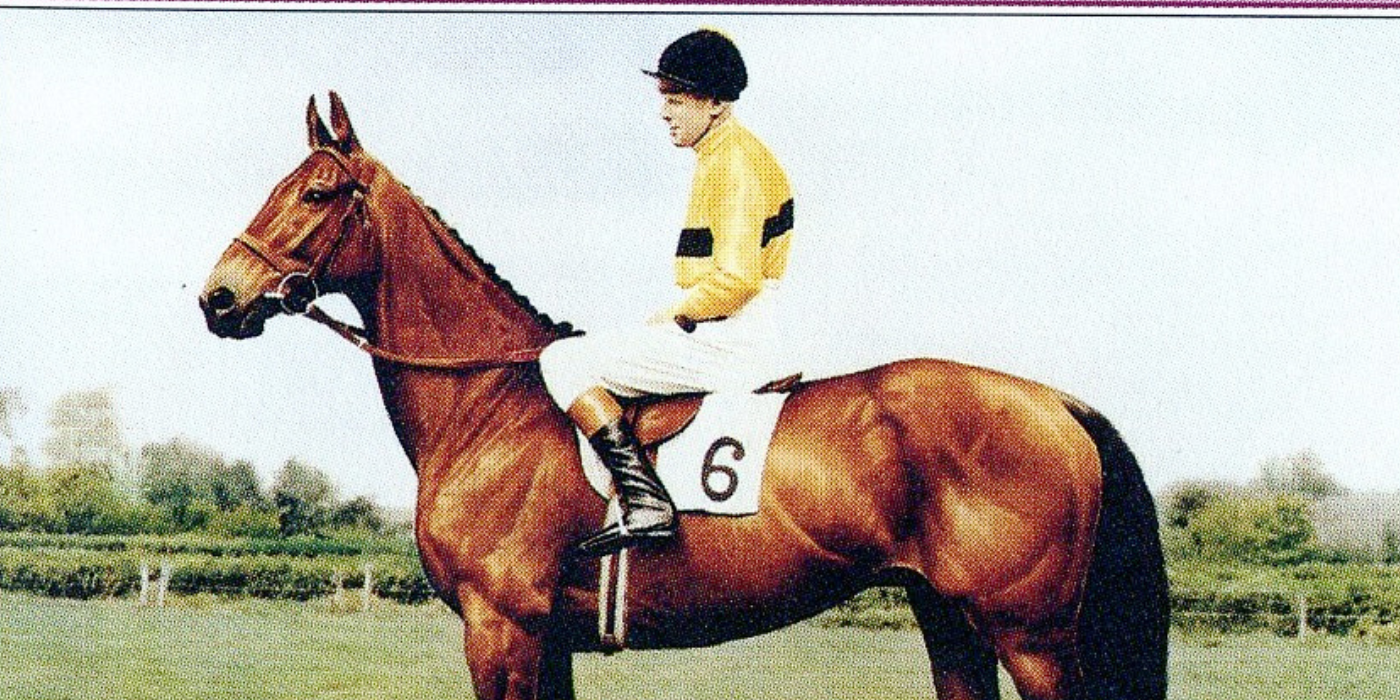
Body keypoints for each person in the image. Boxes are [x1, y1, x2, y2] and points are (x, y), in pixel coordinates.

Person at [540, 28, 795, 558]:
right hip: (734, 326)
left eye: (676, 100)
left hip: (733, 336)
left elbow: (737, 280)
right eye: (664, 99)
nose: (665, 112)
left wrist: (672, 314)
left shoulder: (736, 164)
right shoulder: (723, 155)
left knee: (563, 360)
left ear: (717, 105)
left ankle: (645, 501)